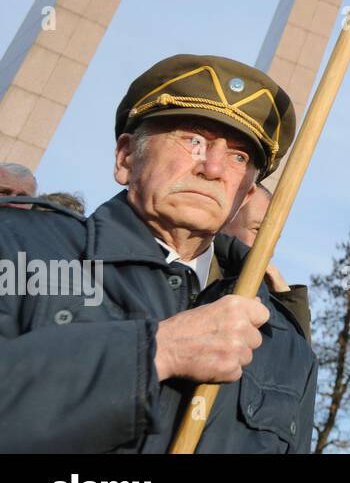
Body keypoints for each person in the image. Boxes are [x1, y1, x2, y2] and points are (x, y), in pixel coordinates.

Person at [0, 54, 317, 452]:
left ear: (245, 195)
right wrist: (155, 351)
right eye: (194, 140)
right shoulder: (21, 250)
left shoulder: (284, 341)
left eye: (239, 157)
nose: (214, 168)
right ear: (126, 156)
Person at [222, 182, 312, 346]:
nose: (268, 250)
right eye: (257, 230)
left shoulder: (265, 299)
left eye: (273, 239)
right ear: (224, 221)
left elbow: (297, 365)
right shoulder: (198, 272)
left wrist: (286, 300)